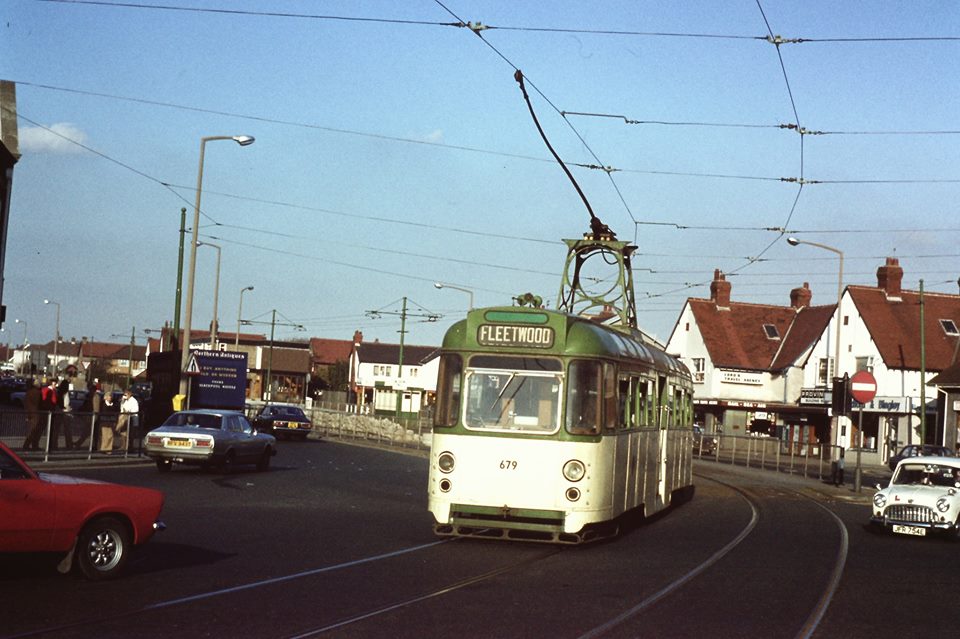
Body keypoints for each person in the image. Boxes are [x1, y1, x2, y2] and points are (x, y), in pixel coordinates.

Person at [21, 379, 44, 450]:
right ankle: (29, 445)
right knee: (34, 430)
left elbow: (25, 402)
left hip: (30, 412)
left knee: (32, 430)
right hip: (35, 413)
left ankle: (29, 445)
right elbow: (39, 403)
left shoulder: (29, 392)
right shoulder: (37, 392)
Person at [116, 389, 139, 454]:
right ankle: (123, 446)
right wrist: (122, 401)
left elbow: (135, 410)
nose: (125, 395)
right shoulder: (124, 401)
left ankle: (130, 448)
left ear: (130, 394)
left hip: (132, 419)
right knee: (123, 433)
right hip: (124, 418)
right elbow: (121, 408)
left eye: (126, 394)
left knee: (131, 434)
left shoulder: (134, 401)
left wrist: (127, 411)